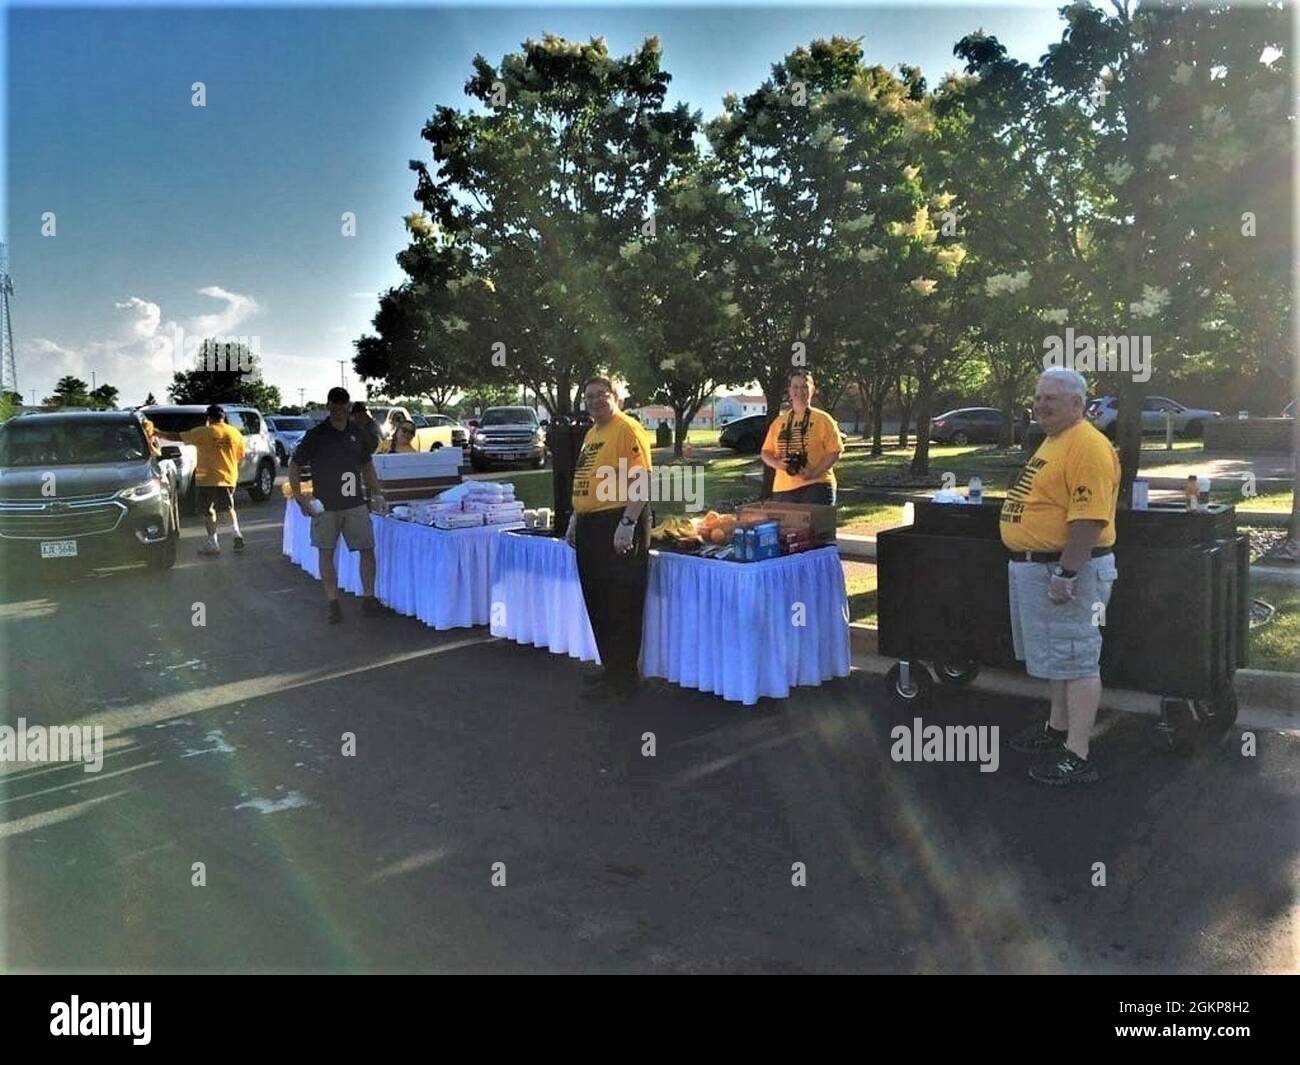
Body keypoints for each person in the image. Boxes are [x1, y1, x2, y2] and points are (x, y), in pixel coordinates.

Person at [1002, 367, 1120, 786]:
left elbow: (1089, 520)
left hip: (1069, 572)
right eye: (1038, 396)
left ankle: (1078, 752)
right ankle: (1057, 728)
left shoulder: (1087, 445)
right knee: (1060, 657)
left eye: (1052, 397)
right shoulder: (1055, 440)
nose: (1041, 404)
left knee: (1079, 658)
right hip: (1041, 568)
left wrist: (1066, 573)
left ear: (1078, 404)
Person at [564, 377, 653, 701]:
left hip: (618, 521)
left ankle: (624, 679)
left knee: (621, 604)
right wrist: (576, 517)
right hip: (591, 524)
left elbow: (642, 478)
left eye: (602, 395)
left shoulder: (626, 428)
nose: (595, 401)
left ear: (617, 398)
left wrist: (628, 522)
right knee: (598, 599)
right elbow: (587, 480)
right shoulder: (592, 434)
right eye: (589, 396)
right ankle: (611, 668)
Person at [290, 387, 389, 624]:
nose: (337, 409)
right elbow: (295, 465)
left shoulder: (358, 433)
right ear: (328, 406)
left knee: (367, 549)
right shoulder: (316, 435)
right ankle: (333, 603)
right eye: (333, 405)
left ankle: (369, 598)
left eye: (342, 404)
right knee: (327, 553)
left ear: (348, 406)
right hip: (325, 505)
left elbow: (367, 466)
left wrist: (377, 493)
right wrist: (299, 497)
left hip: (355, 503)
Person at [155, 403, 246, 556]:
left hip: (207, 477)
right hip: (228, 476)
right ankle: (236, 534)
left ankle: (213, 542)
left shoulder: (202, 432)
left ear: (209, 418)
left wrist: (158, 433)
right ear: (223, 417)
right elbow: (240, 456)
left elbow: (177, 436)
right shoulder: (235, 433)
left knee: (208, 510)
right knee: (228, 508)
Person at [760, 369, 844, 505]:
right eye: (795, 387)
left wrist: (814, 473)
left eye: (805, 386)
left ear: (812, 390)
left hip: (817, 486)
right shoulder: (778, 423)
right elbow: (765, 452)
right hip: (783, 489)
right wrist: (778, 464)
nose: (799, 391)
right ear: (789, 391)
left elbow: (834, 452)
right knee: (788, 527)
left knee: (817, 527)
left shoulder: (823, 419)